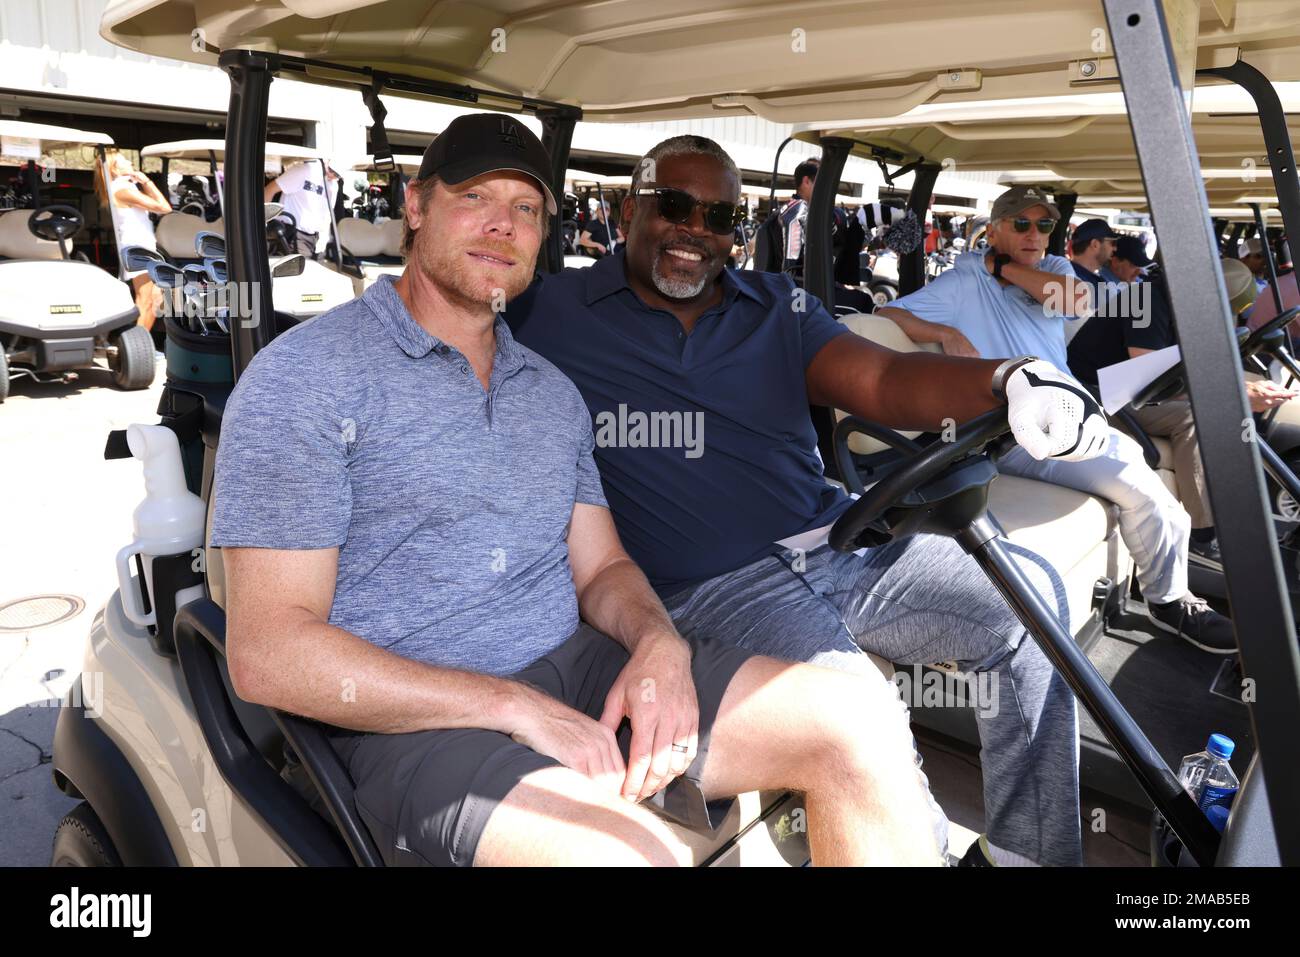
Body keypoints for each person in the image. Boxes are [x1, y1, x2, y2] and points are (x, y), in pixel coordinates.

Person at [211, 113, 943, 868]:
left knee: (857, 717)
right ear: (417, 206)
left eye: (526, 209)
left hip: (584, 672)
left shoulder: (550, 391)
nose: (502, 225)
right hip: (418, 725)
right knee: (629, 856)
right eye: (475, 197)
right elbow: (267, 652)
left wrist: (658, 642)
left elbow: (603, 569)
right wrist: (516, 707)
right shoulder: (305, 378)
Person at [510, 135, 1115, 868]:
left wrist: (1009, 379)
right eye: (675, 206)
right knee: (864, 711)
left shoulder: (777, 305)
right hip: (710, 587)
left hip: (836, 537)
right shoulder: (550, 311)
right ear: (631, 207)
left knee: (1032, 600)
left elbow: (887, 380)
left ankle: (1028, 853)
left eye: (720, 216)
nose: (695, 230)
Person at [878, 186, 1236, 655]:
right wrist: (944, 332)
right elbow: (887, 313)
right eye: (1021, 224)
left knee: (1141, 471)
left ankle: (1171, 572)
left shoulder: (1052, 269)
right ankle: (1170, 603)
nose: (1034, 234)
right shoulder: (965, 281)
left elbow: (1073, 302)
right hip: (1015, 433)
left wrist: (1006, 268)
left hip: (1070, 413)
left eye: (1044, 225)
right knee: (1147, 489)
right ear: (996, 228)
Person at [1068, 251, 1296, 568]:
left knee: (1231, 394)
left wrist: (1242, 385)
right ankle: (1202, 538)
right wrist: (1234, 391)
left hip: (1134, 393)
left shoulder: (1178, 303)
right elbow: (1151, 375)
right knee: (1196, 417)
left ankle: (1231, 509)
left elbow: (1188, 366)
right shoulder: (1147, 300)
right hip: (1099, 398)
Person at [99, 152, 171, 340]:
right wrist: (146, 181)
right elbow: (164, 207)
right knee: (146, 299)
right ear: (115, 169)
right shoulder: (123, 189)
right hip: (137, 247)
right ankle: (138, 347)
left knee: (156, 298)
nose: (131, 162)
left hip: (142, 245)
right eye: (125, 161)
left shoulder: (123, 188)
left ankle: (139, 346)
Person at [264, 159, 340, 258]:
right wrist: (265, 223)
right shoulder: (304, 171)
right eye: (331, 170)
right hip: (292, 233)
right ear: (327, 162)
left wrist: (325, 238)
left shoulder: (333, 186)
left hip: (315, 238)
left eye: (337, 175)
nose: (332, 175)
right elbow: (269, 190)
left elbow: (327, 214)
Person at [779, 157, 819, 281]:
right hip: (795, 291)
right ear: (806, 181)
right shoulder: (798, 210)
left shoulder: (791, 208)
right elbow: (791, 265)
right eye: (820, 182)